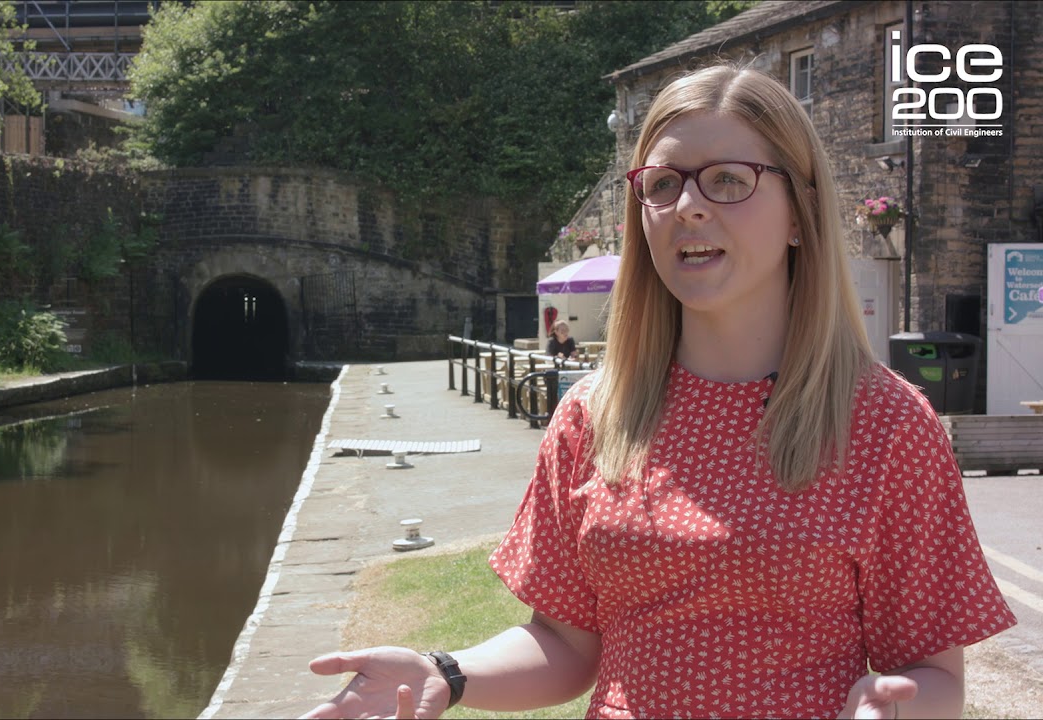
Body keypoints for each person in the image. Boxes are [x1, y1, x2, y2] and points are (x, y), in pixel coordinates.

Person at [301, 63, 1016, 720]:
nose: (689, 206)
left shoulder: (885, 423)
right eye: (664, 184)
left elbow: (933, 671)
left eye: (728, 179)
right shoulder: (594, 415)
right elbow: (564, 644)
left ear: (799, 213)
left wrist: (899, 704)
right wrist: (444, 672)